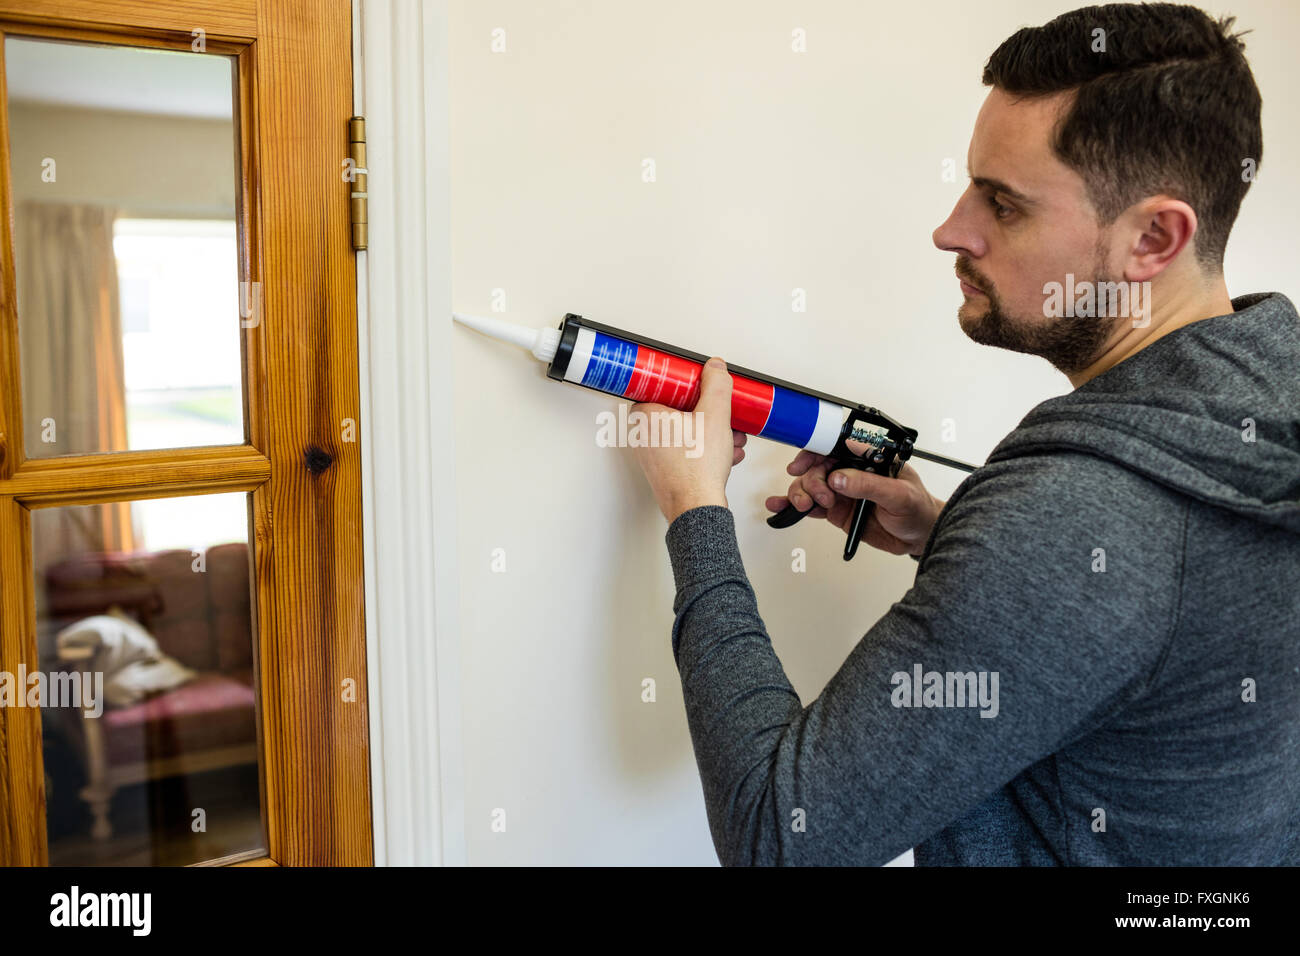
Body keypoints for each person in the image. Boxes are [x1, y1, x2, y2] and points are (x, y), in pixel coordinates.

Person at [630, 3, 1299, 865]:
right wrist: (954, 537)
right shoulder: (1268, 406)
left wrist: (695, 514)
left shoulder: (1073, 517)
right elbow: (1164, 625)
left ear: (1154, 237)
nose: (952, 230)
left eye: (1004, 205)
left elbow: (776, 835)